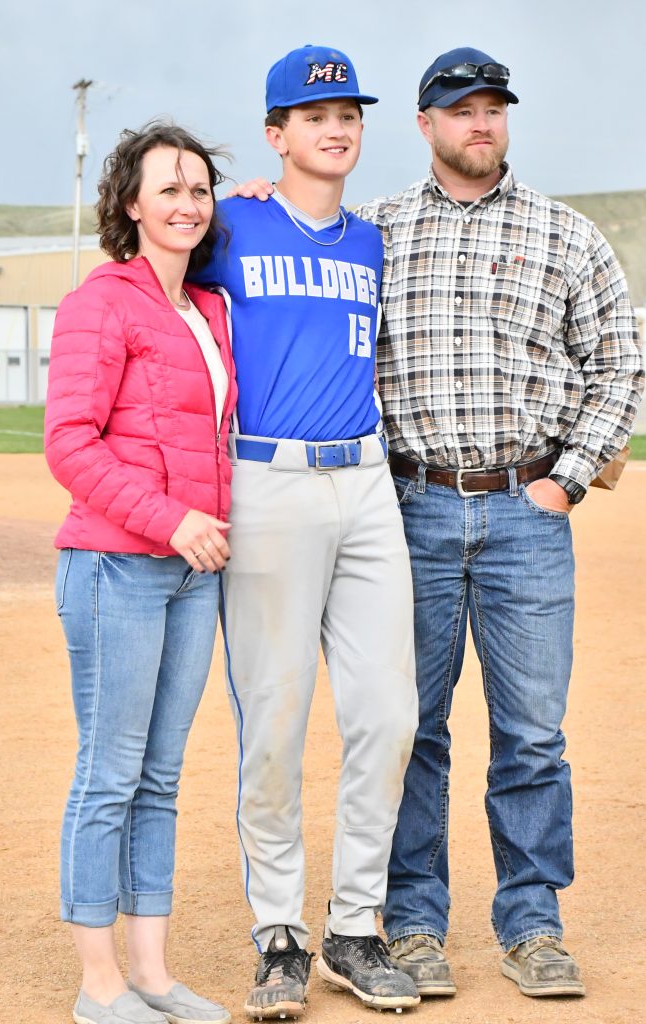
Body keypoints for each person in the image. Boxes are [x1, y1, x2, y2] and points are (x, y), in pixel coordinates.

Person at [352, 47, 645, 999]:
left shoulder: (566, 235)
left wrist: (562, 481)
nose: (480, 123)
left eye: (493, 108)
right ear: (426, 123)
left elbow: (618, 366)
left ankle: (531, 923)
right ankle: (412, 925)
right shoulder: (376, 231)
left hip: (527, 513)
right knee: (413, 728)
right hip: (411, 509)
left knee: (529, 734)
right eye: (460, 109)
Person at [191, 44, 420, 1019]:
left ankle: (354, 926)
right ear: (276, 135)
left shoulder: (372, 240)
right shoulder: (232, 223)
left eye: (350, 115)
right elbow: (153, 270)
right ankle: (278, 930)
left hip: (363, 483)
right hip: (267, 481)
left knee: (387, 715)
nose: (337, 128)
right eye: (314, 116)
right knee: (274, 723)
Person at [44, 122, 237, 1024]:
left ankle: (153, 976)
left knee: (160, 777)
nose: (188, 204)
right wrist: (174, 520)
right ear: (130, 203)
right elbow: (70, 446)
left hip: (194, 575)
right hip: (118, 566)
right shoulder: (101, 300)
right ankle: (99, 984)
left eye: (200, 189)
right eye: (168, 188)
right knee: (109, 772)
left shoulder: (207, 308)